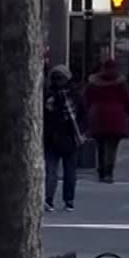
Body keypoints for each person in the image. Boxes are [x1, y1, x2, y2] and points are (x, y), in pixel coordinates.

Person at [82, 57, 129, 182]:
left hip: (97, 117)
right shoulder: (121, 84)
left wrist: (88, 113)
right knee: (111, 146)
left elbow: (85, 100)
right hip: (117, 118)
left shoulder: (94, 83)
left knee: (100, 145)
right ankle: (108, 172)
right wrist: (125, 112)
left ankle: (101, 171)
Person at [43, 65, 86, 211]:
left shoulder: (49, 97)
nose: (58, 81)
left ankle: (53, 200)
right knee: (66, 172)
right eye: (56, 78)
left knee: (55, 171)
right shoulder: (73, 96)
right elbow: (83, 117)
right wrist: (81, 132)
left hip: (56, 139)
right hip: (65, 139)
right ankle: (66, 200)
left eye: (59, 78)